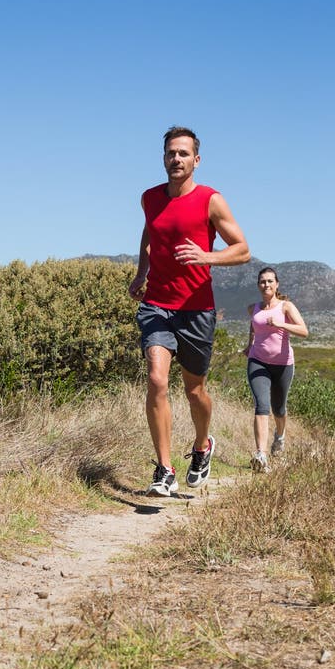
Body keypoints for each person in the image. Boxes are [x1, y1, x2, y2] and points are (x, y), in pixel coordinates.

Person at [128, 126, 250, 497]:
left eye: (183, 153)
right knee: (156, 379)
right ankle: (164, 469)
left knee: (195, 391)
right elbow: (150, 233)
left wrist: (206, 256)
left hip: (197, 308)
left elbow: (242, 248)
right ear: (163, 158)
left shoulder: (211, 200)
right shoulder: (150, 198)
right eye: (171, 153)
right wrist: (142, 273)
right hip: (158, 306)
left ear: (196, 160)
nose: (176, 159)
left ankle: (202, 445)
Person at [243, 266, 308, 472]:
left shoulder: (286, 307)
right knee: (261, 405)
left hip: (283, 365)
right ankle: (261, 455)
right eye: (262, 281)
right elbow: (254, 325)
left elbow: (304, 331)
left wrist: (281, 325)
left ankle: (279, 438)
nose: (266, 285)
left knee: (278, 408)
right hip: (257, 361)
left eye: (270, 281)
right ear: (258, 285)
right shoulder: (253, 308)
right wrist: (249, 344)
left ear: (276, 284)